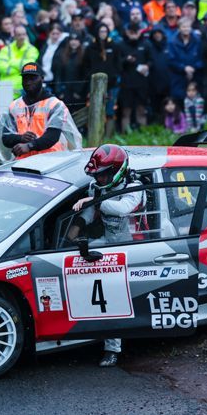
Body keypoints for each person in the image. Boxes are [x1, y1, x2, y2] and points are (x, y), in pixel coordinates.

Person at [68, 144, 146, 368]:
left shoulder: (135, 186)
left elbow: (123, 208)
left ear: (117, 171)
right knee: (75, 259)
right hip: (111, 243)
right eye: (97, 175)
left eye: (103, 175)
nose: (100, 179)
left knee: (115, 294)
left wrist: (94, 201)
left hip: (138, 247)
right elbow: (90, 212)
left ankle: (112, 350)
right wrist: (71, 234)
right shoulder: (96, 188)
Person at [0, 61, 81, 161]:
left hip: (51, 161)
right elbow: (6, 138)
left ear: (42, 79)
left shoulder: (55, 105)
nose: (28, 82)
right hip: (23, 162)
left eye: (33, 78)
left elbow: (52, 136)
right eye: (25, 78)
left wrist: (29, 146)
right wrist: (21, 138)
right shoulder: (14, 106)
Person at [118, 22, 151, 132]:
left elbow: (152, 61)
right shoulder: (121, 45)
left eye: (135, 32)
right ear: (127, 32)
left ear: (139, 32)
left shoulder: (146, 44)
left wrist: (147, 66)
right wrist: (126, 60)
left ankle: (143, 137)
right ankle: (124, 136)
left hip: (142, 83)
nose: (133, 35)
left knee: (141, 110)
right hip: (126, 83)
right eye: (131, 32)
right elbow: (117, 63)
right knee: (125, 111)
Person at [0, 24, 39, 97]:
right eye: (19, 35)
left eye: (23, 34)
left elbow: (28, 67)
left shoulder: (32, 50)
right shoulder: (5, 49)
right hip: (6, 89)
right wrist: (20, 66)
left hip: (23, 89)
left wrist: (10, 62)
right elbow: (1, 68)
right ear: (14, 36)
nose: (22, 37)